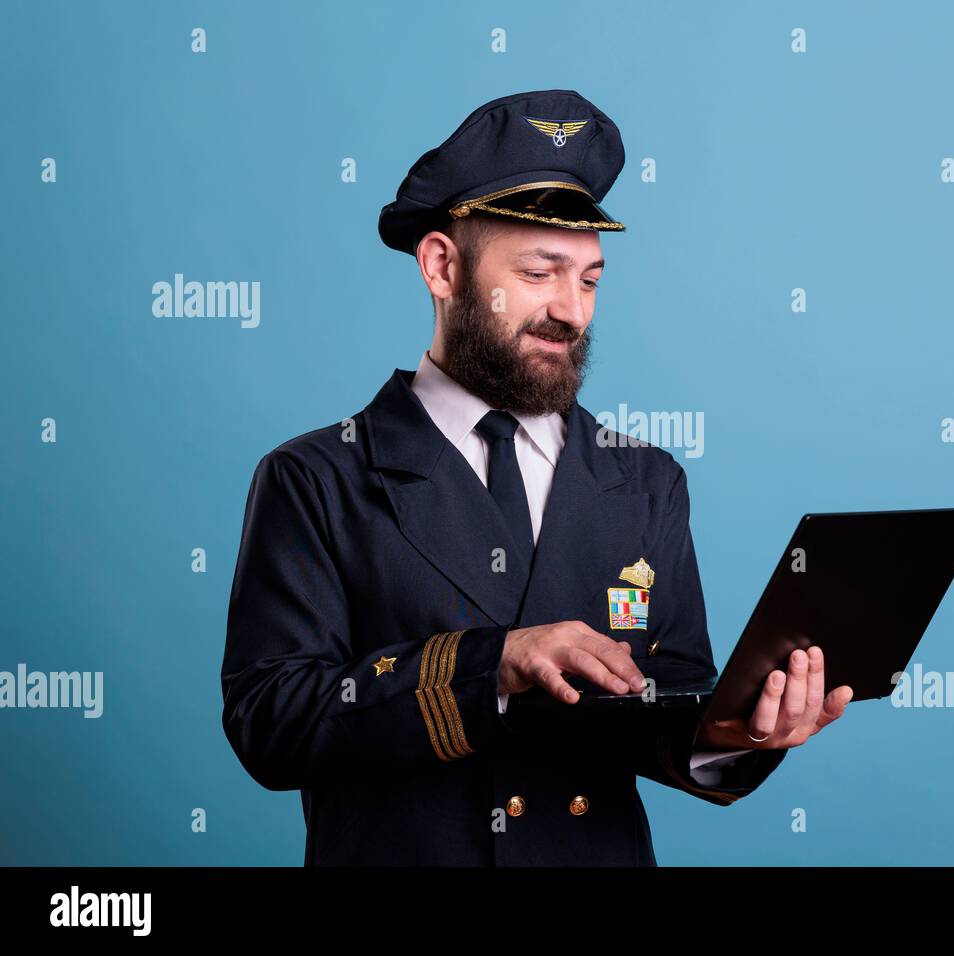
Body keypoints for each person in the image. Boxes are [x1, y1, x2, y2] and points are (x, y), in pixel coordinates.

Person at [220, 89, 852, 865]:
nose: (572, 310)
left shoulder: (647, 479)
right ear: (442, 267)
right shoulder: (317, 477)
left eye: (589, 279)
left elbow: (668, 692)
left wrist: (735, 730)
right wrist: (497, 665)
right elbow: (271, 722)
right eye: (539, 272)